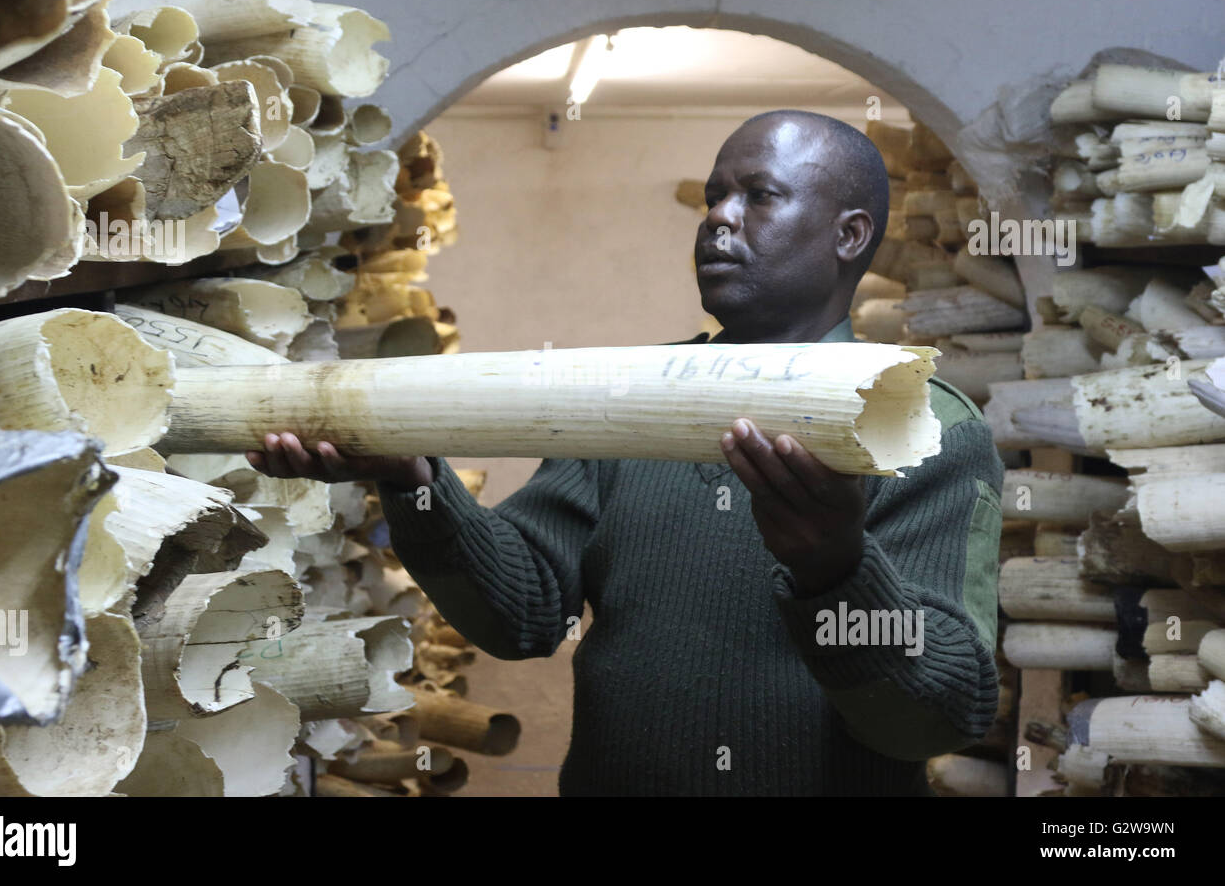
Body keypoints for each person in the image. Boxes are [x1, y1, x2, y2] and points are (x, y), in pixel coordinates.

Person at [247, 110, 1005, 796]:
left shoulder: (918, 426)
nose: (717, 218)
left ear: (848, 234)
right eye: (714, 195)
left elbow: (941, 716)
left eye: (759, 195)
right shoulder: (626, 394)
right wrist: (409, 479)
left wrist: (835, 572)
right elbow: (526, 613)